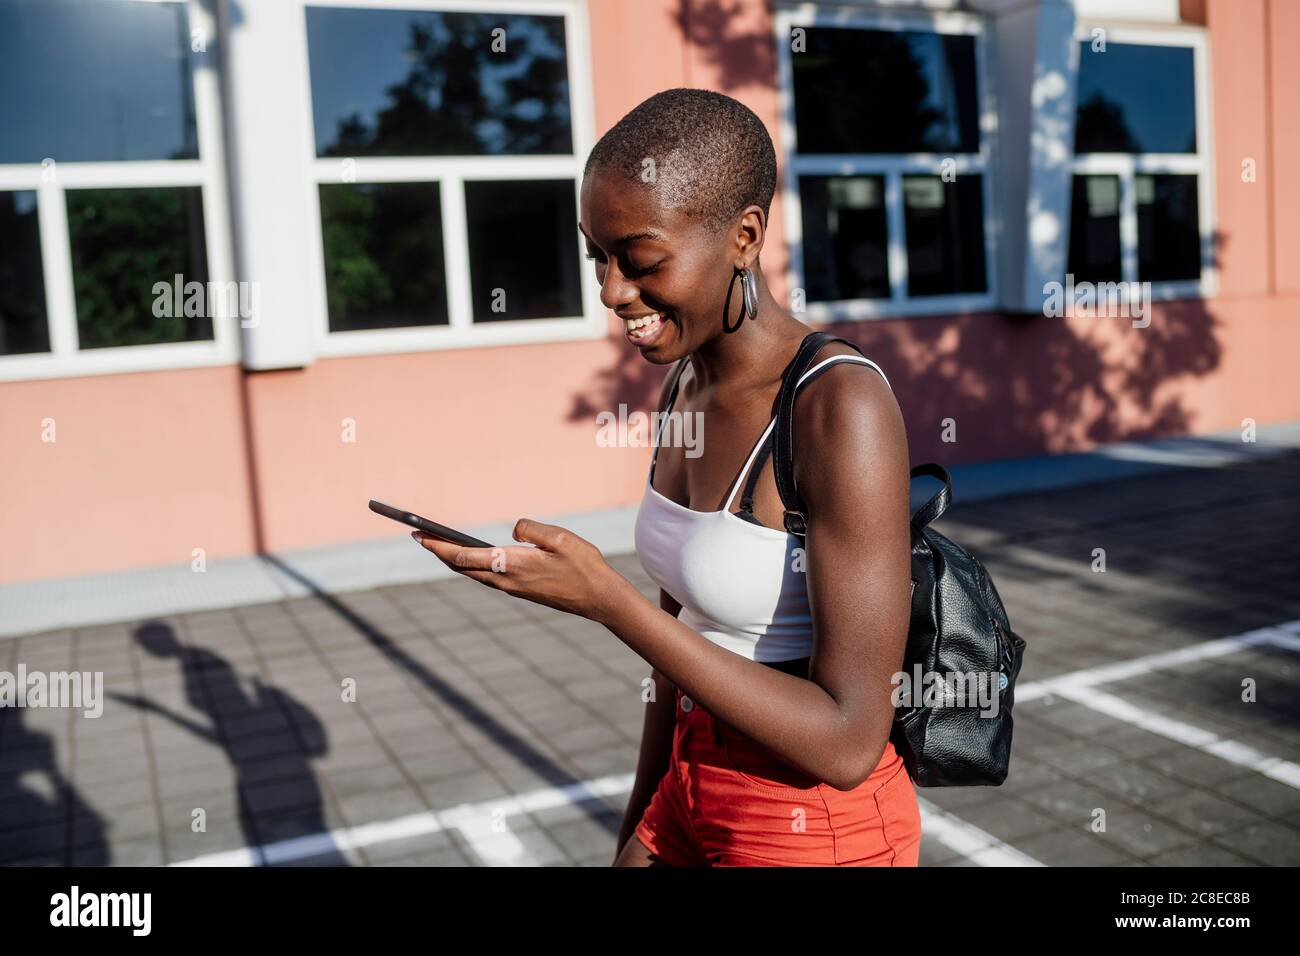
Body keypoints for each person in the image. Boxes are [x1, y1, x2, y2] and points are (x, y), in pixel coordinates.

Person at [414, 88, 920, 867]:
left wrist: (606, 602)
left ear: (745, 237)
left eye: (641, 260)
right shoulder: (682, 383)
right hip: (692, 784)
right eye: (597, 257)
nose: (613, 290)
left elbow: (850, 739)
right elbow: (680, 636)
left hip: (808, 828)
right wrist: (647, 816)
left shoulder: (837, 407)